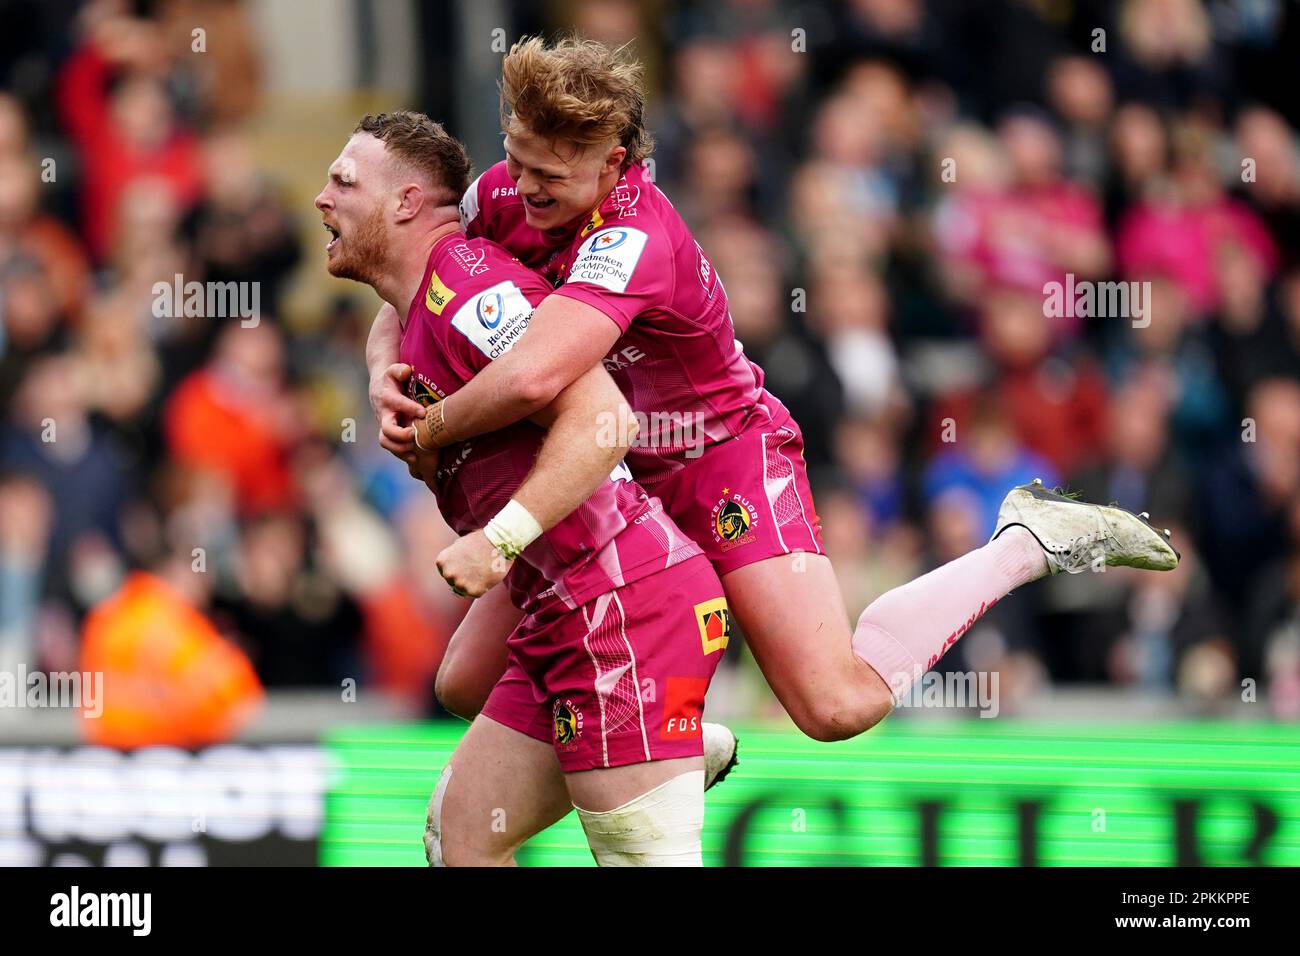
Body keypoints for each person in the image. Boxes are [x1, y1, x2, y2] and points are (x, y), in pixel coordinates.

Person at [367, 37, 1181, 746]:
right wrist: (381, 376)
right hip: (611, 467)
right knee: (467, 683)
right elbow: (408, 284)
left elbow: (539, 374)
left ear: (614, 162)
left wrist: (432, 426)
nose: (525, 186)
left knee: (834, 706)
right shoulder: (502, 193)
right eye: (516, 158)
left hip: (719, 459)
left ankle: (1024, 544)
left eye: (550, 174)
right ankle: (683, 742)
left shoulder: (635, 238)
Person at [316, 111, 735, 866]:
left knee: (635, 852)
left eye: (344, 182)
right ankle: (669, 747)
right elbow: (393, 322)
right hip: (563, 616)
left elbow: (605, 420)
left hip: (623, 608)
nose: (322, 198)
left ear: (408, 202)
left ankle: (663, 744)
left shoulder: (471, 291)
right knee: (463, 840)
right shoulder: (417, 309)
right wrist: (382, 375)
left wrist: (498, 539)